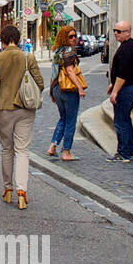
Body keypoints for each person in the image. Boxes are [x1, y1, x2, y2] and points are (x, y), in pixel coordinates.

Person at [0, 24, 44, 210]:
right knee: (22, 150)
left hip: (4, 108)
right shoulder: (28, 57)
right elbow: (40, 83)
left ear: (2, 40)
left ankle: (8, 189)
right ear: (18, 39)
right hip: (25, 108)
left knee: (7, 148)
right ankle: (22, 191)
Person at [47, 26, 86, 162]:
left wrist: (52, 91)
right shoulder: (69, 52)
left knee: (63, 118)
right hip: (68, 90)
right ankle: (66, 152)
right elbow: (70, 72)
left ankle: (53, 145)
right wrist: (80, 88)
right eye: (70, 36)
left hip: (57, 88)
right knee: (70, 120)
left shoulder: (57, 52)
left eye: (75, 36)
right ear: (64, 37)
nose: (74, 38)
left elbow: (53, 73)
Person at [107, 20, 133, 163]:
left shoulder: (128, 48)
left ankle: (123, 152)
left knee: (120, 120)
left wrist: (115, 91)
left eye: (119, 31)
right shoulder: (128, 46)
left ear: (128, 32)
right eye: (114, 30)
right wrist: (112, 84)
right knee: (125, 119)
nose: (116, 34)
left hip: (127, 89)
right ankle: (131, 149)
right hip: (130, 87)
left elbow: (123, 73)